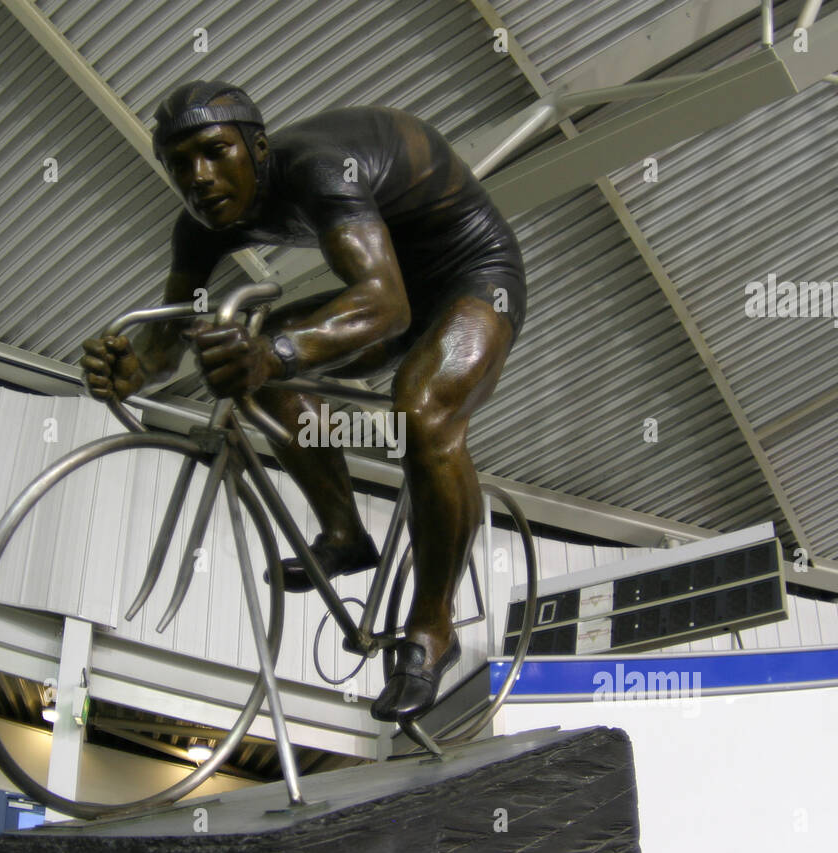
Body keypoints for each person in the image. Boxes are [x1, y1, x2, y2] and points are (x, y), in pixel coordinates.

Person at [81, 80, 526, 721]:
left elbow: (387, 304)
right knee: (263, 364)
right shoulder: (200, 226)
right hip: (392, 286)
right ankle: (344, 534)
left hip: (474, 276)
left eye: (214, 152)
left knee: (421, 412)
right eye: (180, 166)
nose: (198, 178)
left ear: (257, 148)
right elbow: (161, 351)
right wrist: (130, 370)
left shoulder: (318, 171)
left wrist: (273, 355)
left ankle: (433, 631)